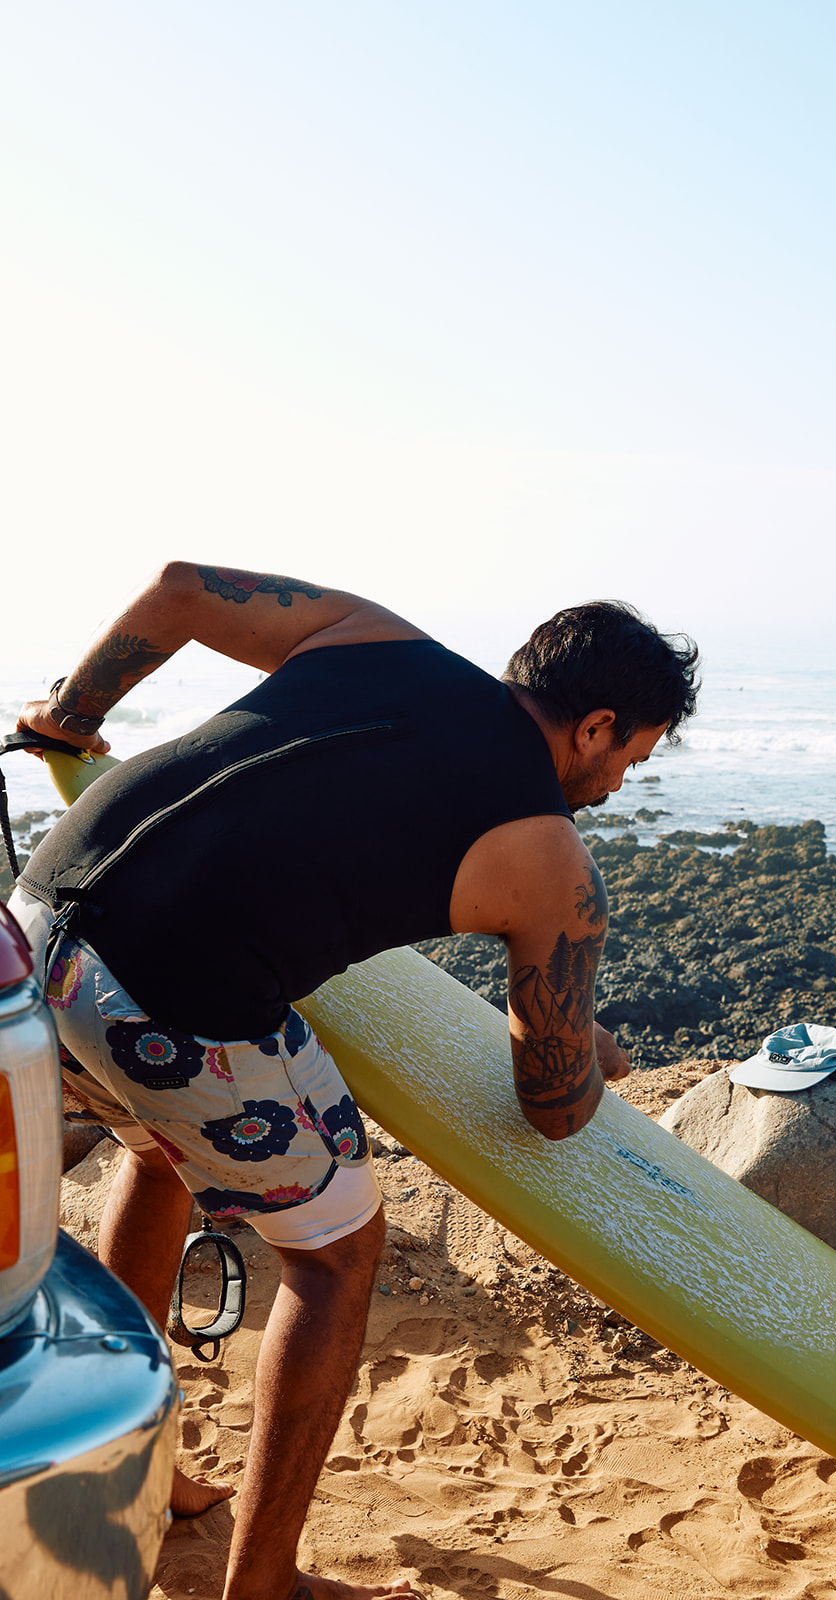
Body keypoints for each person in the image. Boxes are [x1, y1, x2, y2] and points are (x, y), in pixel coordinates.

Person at [10, 560, 699, 1600]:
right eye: (629, 763)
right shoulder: (551, 857)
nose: (614, 788)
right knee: (337, 1256)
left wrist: (67, 719)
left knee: (161, 1154)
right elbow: (552, 1110)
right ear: (596, 724)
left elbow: (182, 588)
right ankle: (265, 1581)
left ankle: (139, 1466)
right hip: (163, 1006)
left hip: (33, 930)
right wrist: (585, 1045)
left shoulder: (374, 635)